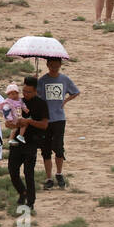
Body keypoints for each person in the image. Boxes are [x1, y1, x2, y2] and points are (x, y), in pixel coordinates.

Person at [5, 76, 49, 211]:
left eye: (28, 91)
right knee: (12, 171)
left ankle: (30, 201)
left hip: (32, 142)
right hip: (17, 141)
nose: (25, 94)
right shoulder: (18, 102)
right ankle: (22, 192)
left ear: (35, 91)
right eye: (24, 91)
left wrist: (29, 122)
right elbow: (9, 122)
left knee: (29, 173)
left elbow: (44, 125)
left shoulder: (41, 104)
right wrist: (12, 123)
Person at [37, 58, 80, 191]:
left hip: (59, 119)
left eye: (56, 66)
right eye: (51, 66)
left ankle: (59, 173)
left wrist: (65, 101)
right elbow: (35, 95)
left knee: (59, 148)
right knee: (46, 149)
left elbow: (76, 92)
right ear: (47, 65)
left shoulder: (64, 79)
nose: (54, 68)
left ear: (60, 65)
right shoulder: (42, 80)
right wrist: (34, 83)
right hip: (45, 119)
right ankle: (49, 178)